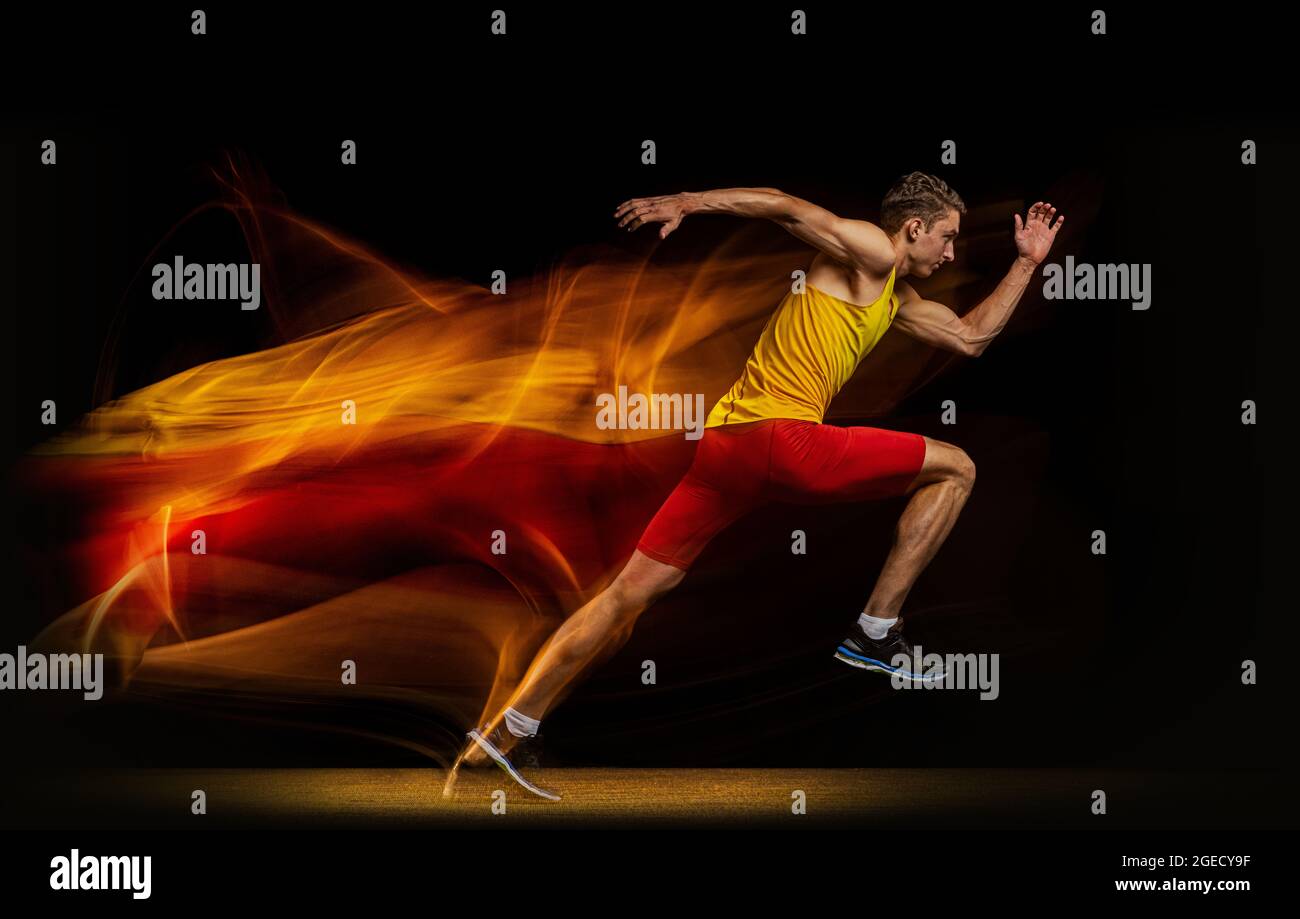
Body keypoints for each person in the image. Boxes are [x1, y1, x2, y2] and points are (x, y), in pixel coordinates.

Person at [455, 172, 1063, 799]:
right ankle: (875, 632)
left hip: (727, 452)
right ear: (913, 229)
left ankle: (503, 734)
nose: (950, 252)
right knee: (958, 466)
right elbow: (784, 206)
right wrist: (687, 203)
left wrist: (1026, 264)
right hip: (781, 442)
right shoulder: (874, 252)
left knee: (624, 599)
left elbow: (970, 337)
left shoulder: (894, 298)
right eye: (946, 237)